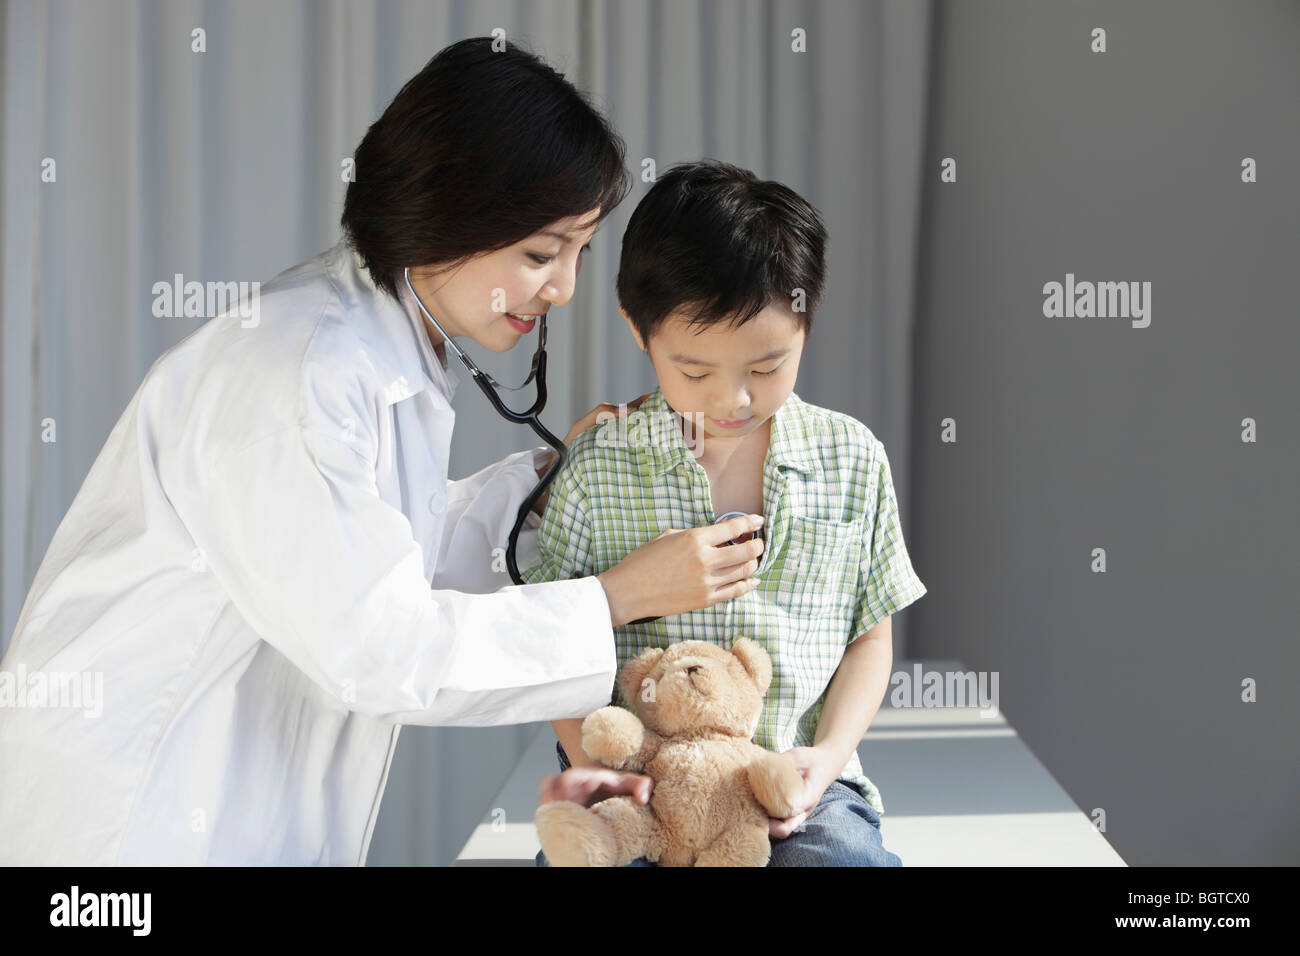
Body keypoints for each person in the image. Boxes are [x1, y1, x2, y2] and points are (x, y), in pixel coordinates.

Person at [0, 40, 766, 866]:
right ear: (449, 213)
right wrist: (614, 598)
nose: (564, 289)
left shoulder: (381, 348)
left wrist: (544, 490)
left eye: (578, 252)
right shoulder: (296, 375)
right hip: (131, 827)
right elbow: (378, 645)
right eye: (543, 253)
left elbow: (381, 559)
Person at [524, 161, 927, 866]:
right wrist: (601, 767)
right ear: (637, 330)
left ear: (806, 320)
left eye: (766, 368)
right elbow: (555, 644)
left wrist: (826, 759)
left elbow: (870, 637)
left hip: (796, 786)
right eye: (696, 372)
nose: (733, 400)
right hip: (638, 788)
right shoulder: (597, 467)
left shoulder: (851, 458)